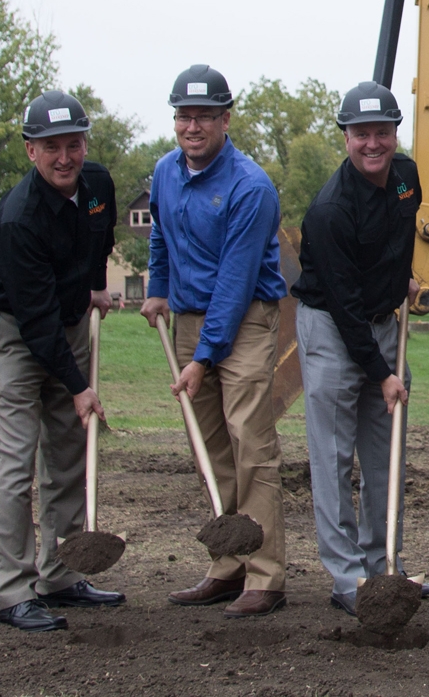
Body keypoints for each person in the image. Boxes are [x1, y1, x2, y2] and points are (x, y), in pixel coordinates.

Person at [0, 90, 122, 632]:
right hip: (15, 331)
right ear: (30, 151)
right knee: (16, 464)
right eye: (52, 147)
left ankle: (60, 574)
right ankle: (12, 592)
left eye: (74, 144)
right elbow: (35, 323)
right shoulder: (19, 219)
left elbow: (100, 238)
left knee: (68, 454)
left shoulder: (98, 185)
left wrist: (95, 285)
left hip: (68, 320)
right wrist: (79, 386)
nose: (65, 158)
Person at [144, 65, 289, 619]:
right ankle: (228, 565)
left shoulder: (251, 187)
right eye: (184, 115)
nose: (193, 126)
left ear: (225, 119)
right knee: (209, 448)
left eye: (205, 116)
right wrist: (157, 289)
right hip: (186, 318)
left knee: (250, 441)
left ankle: (265, 576)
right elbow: (160, 234)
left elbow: (235, 280)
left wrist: (204, 358)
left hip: (244, 319)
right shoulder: (165, 172)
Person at [292, 81, 429, 617]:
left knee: (385, 455)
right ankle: (348, 578)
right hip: (333, 327)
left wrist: (404, 281)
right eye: (361, 134)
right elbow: (344, 306)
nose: (372, 143)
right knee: (333, 457)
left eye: (382, 132)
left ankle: (384, 567)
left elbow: (397, 242)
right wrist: (382, 373)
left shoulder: (406, 177)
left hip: (383, 321)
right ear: (346, 137)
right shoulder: (330, 210)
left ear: (395, 133)